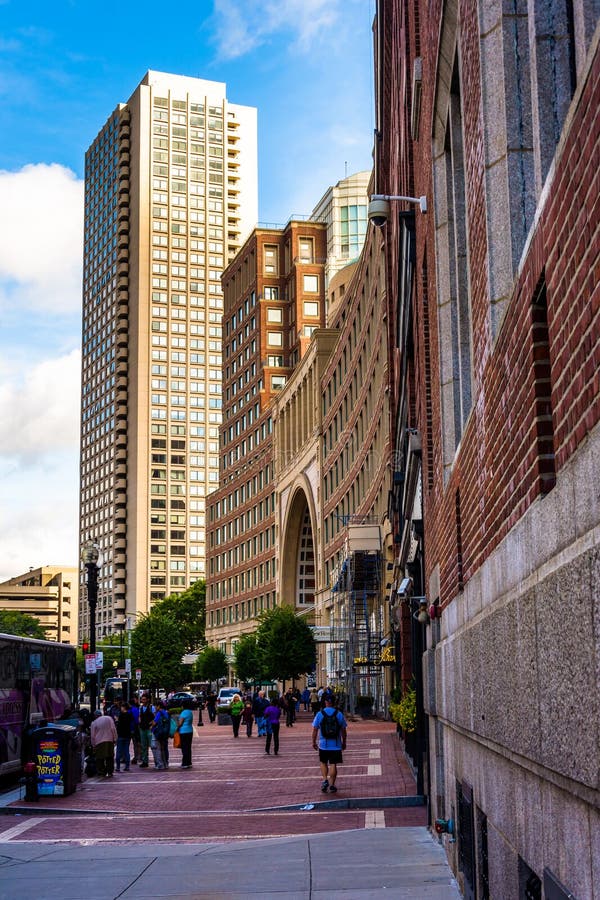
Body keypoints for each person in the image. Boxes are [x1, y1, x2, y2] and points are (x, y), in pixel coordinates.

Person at [312, 694, 347, 793]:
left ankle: (324, 780)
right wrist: (344, 742)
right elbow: (343, 730)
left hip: (323, 744)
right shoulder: (339, 714)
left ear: (325, 702)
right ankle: (332, 784)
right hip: (336, 744)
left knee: (323, 762)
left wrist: (313, 742)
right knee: (333, 764)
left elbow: (315, 729)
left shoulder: (320, 714)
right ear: (334, 702)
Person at [90, 709, 117, 778]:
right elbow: (113, 729)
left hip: (99, 742)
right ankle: (110, 771)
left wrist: (93, 745)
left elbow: (92, 736)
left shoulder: (94, 723)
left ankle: (102, 772)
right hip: (109, 740)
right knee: (110, 757)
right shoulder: (109, 718)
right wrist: (115, 738)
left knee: (100, 758)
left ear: (95, 716)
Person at [115, 701, 134, 772]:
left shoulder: (121, 715)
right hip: (128, 735)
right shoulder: (130, 715)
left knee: (119, 751)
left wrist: (117, 720)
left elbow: (119, 725)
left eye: (121, 707)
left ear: (124, 707)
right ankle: (127, 766)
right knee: (126, 751)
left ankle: (118, 767)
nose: (120, 708)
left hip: (121, 735)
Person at [152, 700, 171, 769]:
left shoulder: (159, 713)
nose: (155, 707)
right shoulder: (166, 713)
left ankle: (161, 764)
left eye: (156, 706)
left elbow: (155, 722)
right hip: (165, 732)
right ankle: (166, 763)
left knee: (158, 748)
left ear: (159, 706)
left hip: (159, 732)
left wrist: (151, 725)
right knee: (165, 748)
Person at [138, 695, 155, 768]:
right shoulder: (141, 708)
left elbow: (155, 717)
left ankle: (156, 761)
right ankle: (145, 761)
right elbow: (139, 716)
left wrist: (151, 725)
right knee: (144, 746)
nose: (143, 701)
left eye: (144, 699)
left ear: (148, 700)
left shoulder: (152, 707)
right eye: (142, 699)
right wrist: (140, 722)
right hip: (142, 729)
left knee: (152, 745)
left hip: (149, 729)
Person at [177, 699, 194, 768]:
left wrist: (177, 728)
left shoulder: (183, 713)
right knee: (188, 747)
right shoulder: (190, 712)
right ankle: (189, 762)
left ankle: (185, 763)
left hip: (183, 731)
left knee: (184, 747)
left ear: (183, 706)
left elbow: (180, 723)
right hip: (190, 731)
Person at [130, 696, 141, 764]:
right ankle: (138, 756)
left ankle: (136, 756)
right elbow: (137, 720)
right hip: (136, 728)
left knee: (135, 743)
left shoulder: (130, 710)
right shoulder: (136, 709)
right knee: (137, 743)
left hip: (132, 729)